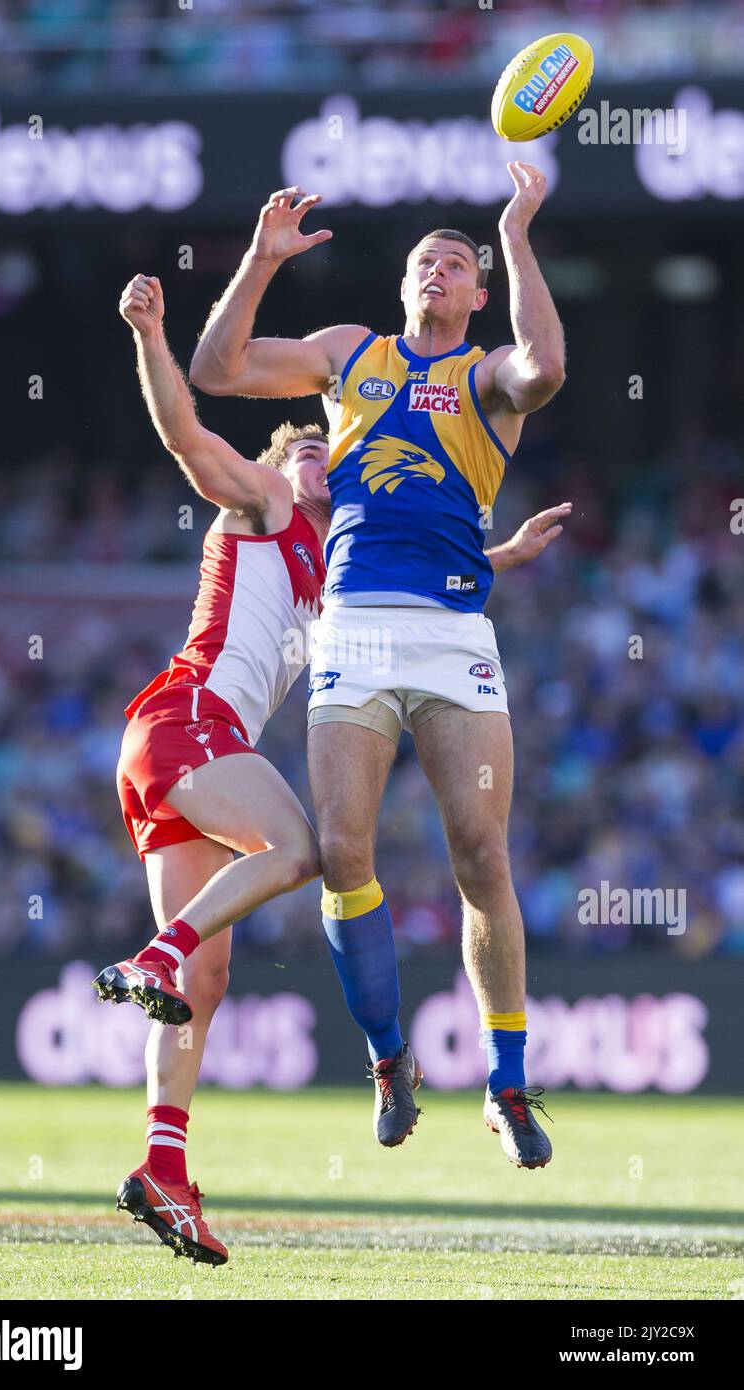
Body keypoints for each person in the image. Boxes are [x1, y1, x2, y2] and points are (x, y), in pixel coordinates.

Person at [94, 271, 569, 1264]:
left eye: (326, 447)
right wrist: (152, 335)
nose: (321, 456)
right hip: (190, 725)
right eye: (309, 445)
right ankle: (154, 955)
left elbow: (411, 552)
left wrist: (500, 555)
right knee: (307, 847)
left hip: (177, 753)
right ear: (286, 464)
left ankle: (163, 1167)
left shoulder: (329, 568)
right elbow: (187, 430)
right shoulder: (264, 502)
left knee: (211, 980)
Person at [190, 164, 565, 1167]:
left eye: (456, 262)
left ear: (477, 291)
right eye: (423, 261)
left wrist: (515, 234)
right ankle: (390, 1059)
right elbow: (217, 371)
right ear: (403, 287)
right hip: (352, 629)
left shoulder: (488, 374)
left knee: (481, 855)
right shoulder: (351, 355)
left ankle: (509, 1083)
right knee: (344, 852)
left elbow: (548, 370)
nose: (437, 270)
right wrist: (259, 263)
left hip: (453, 634)